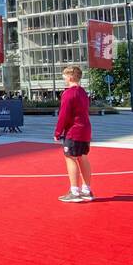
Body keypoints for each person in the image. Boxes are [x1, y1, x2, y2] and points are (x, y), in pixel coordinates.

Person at [55, 65, 94, 202]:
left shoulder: (68, 93)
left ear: (70, 77)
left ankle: (74, 191)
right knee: (83, 157)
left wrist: (58, 131)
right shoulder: (83, 92)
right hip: (85, 130)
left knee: (70, 158)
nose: (64, 79)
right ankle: (86, 190)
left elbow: (63, 115)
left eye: (65, 76)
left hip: (74, 131)